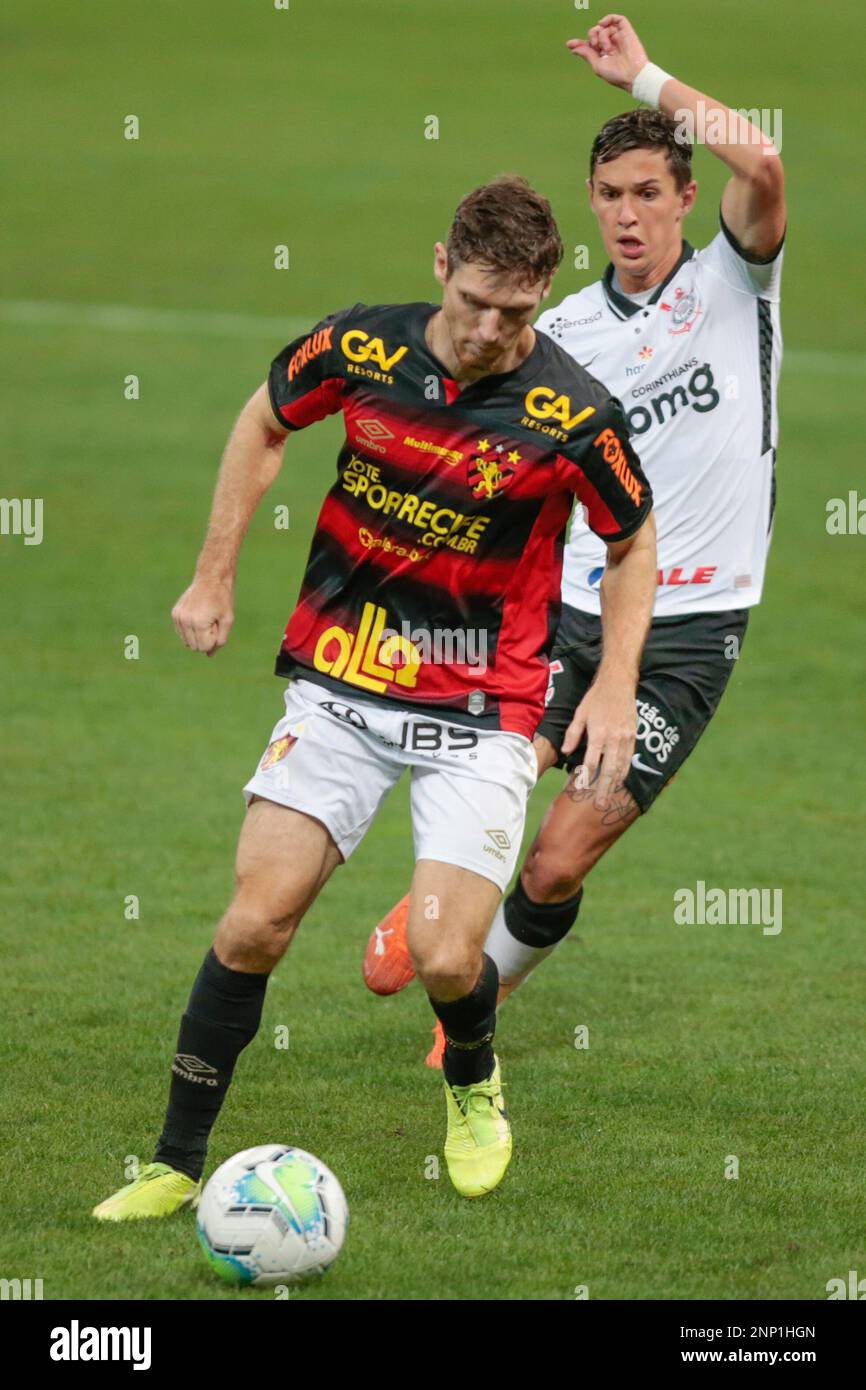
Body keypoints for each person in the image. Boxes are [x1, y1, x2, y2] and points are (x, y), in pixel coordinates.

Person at [92, 174, 656, 1215]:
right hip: (339, 685)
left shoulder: (573, 412)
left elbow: (628, 544)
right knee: (255, 922)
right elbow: (264, 421)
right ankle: (174, 1161)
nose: (491, 330)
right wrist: (213, 571)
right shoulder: (357, 349)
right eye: (475, 302)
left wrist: (613, 684)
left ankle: (473, 1074)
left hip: (481, 711)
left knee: (446, 954)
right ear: (439, 266)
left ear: (541, 295)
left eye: (517, 312)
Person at [362, 14, 786, 1069]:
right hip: (567, 612)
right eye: (610, 196)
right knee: (500, 770)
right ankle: (438, 927)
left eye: (649, 192)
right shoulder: (563, 339)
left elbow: (764, 159)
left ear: (685, 197)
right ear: (589, 207)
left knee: (557, 858)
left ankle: (473, 990)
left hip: (690, 629)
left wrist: (639, 75)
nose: (628, 214)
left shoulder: (734, 278)